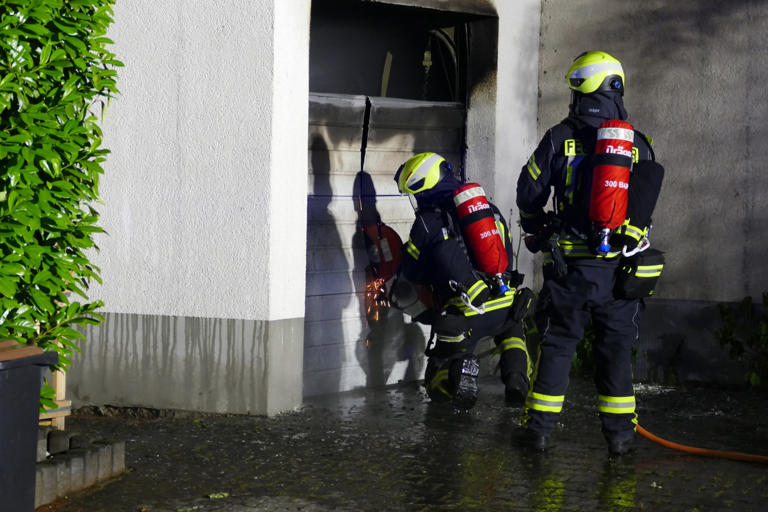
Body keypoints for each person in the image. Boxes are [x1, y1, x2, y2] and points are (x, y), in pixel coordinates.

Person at [514, 51, 662, 455]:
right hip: (621, 272)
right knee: (615, 350)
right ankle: (620, 437)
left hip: (572, 269)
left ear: (582, 91)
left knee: (559, 344)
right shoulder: (636, 144)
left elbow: (528, 191)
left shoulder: (559, 138)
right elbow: (643, 203)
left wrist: (536, 227)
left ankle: (538, 432)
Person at [392, 152, 532, 410]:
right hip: (505, 305)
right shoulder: (487, 210)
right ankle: (516, 380)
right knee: (513, 335)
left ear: (425, 188)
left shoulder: (427, 222)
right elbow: (506, 255)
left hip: (465, 312)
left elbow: (411, 273)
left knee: (438, 376)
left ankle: (458, 372)